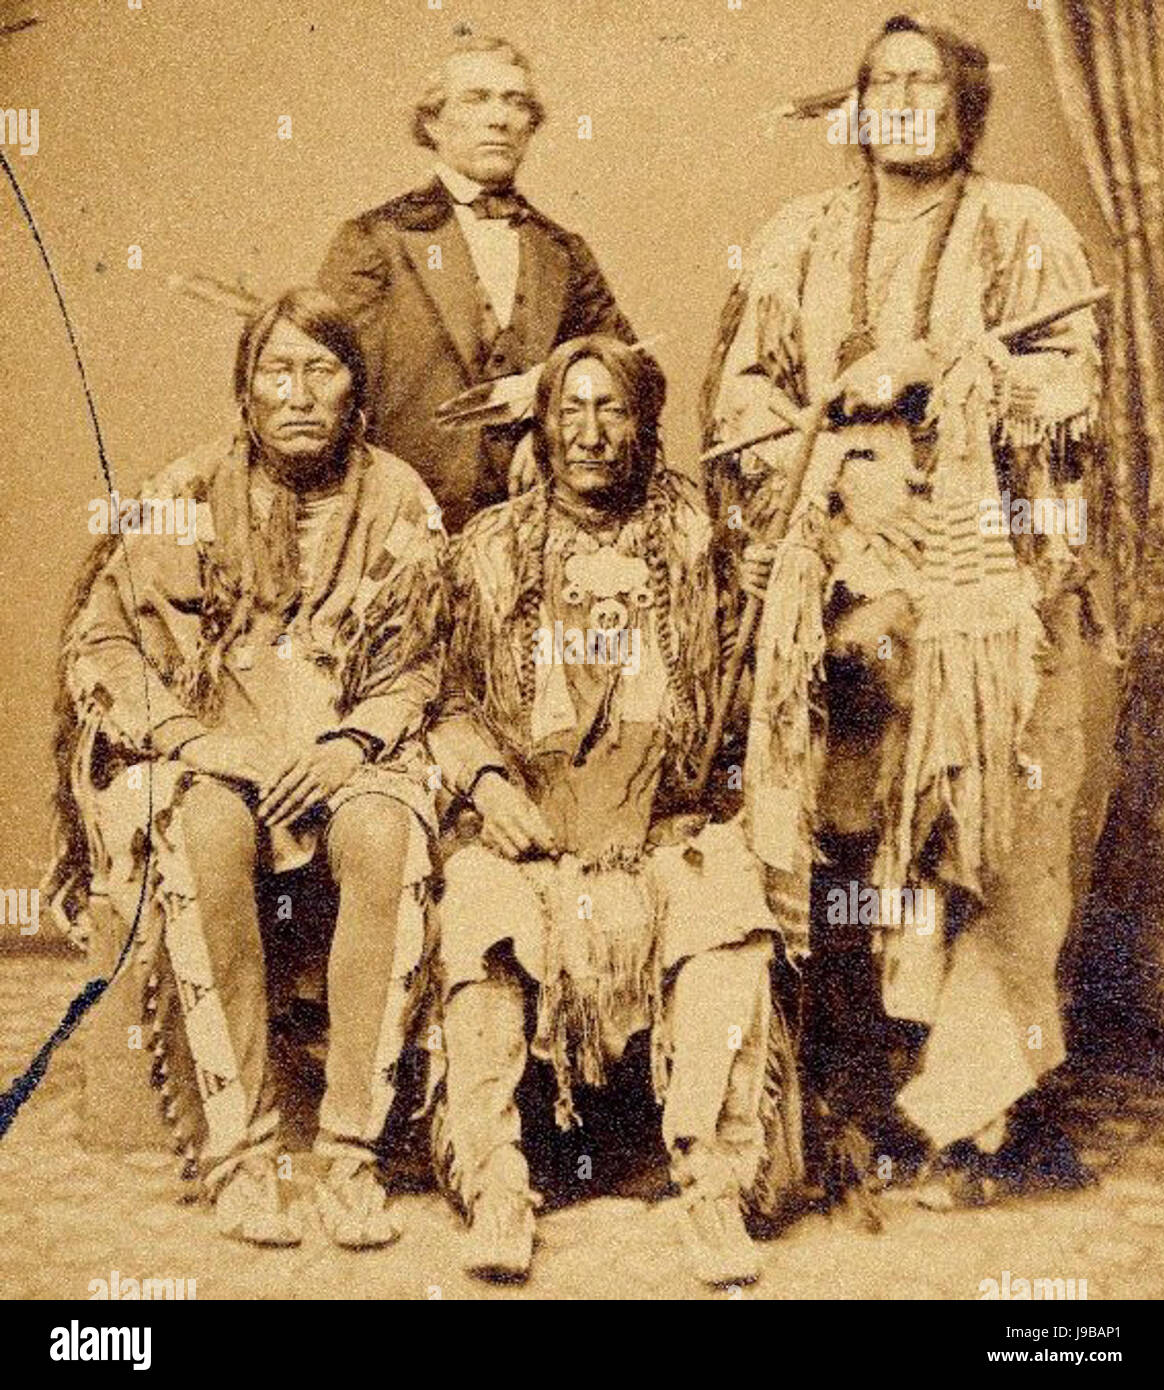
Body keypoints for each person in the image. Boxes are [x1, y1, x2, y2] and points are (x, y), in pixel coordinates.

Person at [705, 14, 1104, 1206]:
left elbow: (1071, 390)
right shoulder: (800, 238)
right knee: (847, 808)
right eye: (881, 79)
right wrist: (838, 476)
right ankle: (854, 1094)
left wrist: (939, 373)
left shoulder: (1022, 227)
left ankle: (978, 1111)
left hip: (989, 578)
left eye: (927, 79)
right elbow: (741, 404)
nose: (902, 97)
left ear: (963, 104)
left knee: (989, 821)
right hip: (842, 573)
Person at [48, 289, 446, 1248]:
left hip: (349, 747)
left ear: (356, 390)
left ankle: (352, 1152)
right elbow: (102, 647)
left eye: (323, 369)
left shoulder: (399, 496)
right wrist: (199, 741)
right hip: (206, 750)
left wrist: (349, 744)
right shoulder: (182, 495)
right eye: (278, 371)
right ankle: (242, 1153)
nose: (300, 394)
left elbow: (423, 663)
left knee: (383, 829)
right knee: (203, 826)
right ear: (245, 388)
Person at [426, 335, 802, 1286]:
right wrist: (488, 784)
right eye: (573, 411)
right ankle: (498, 1185)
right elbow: (447, 701)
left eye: (613, 411)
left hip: (663, 832)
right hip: (535, 836)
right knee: (477, 909)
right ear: (544, 425)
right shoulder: (490, 552)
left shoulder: (700, 544)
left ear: (641, 426)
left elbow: (747, 701)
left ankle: (714, 1188)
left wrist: (770, 602)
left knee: (726, 909)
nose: (592, 434)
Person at [319, 34, 636, 534]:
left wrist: (547, 423)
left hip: (542, 532)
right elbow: (327, 392)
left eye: (516, 102)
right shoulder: (375, 241)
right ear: (432, 122)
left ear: (531, 126)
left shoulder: (563, 252)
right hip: (404, 529)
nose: (500, 118)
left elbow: (633, 370)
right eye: (477, 98)